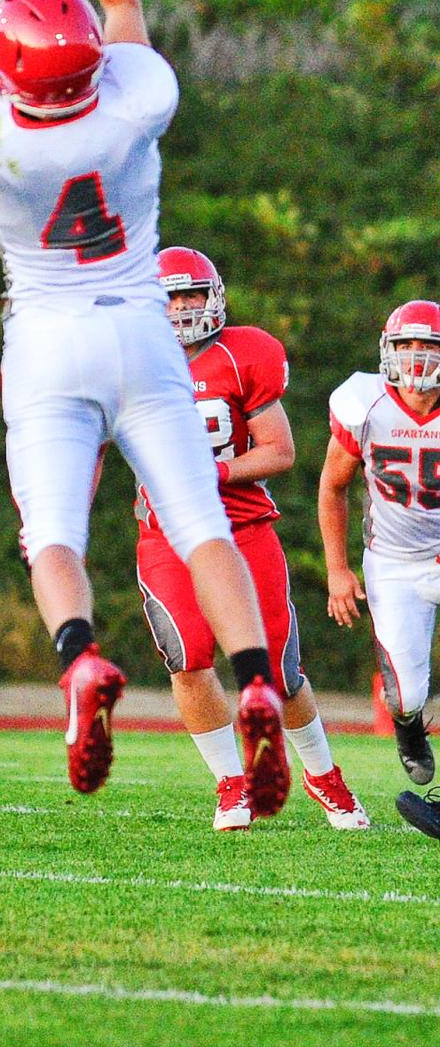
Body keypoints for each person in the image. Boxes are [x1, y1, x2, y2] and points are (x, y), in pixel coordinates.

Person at [0, 0, 286, 807]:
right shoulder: (134, 104)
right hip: (141, 324)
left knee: (53, 532)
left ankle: (81, 659)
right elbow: (124, 12)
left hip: (44, 335)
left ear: (11, 79)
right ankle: (254, 674)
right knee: (200, 519)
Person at [137, 247, 367, 829]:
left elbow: (280, 451)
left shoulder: (245, 353)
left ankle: (323, 776)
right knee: (187, 658)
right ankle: (232, 785)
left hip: (241, 525)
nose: (185, 307)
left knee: (279, 670)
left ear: (215, 296)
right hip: (166, 532)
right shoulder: (129, 361)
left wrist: (209, 473)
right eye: (173, 296)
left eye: (194, 294)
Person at [319, 300, 440, 812]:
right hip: (390, 560)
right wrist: (337, 570)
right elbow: (332, 487)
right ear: (386, 351)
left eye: (427, 346)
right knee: (405, 695)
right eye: (405, 345)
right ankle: (409, 727)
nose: (415, 357)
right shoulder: (362, 402)